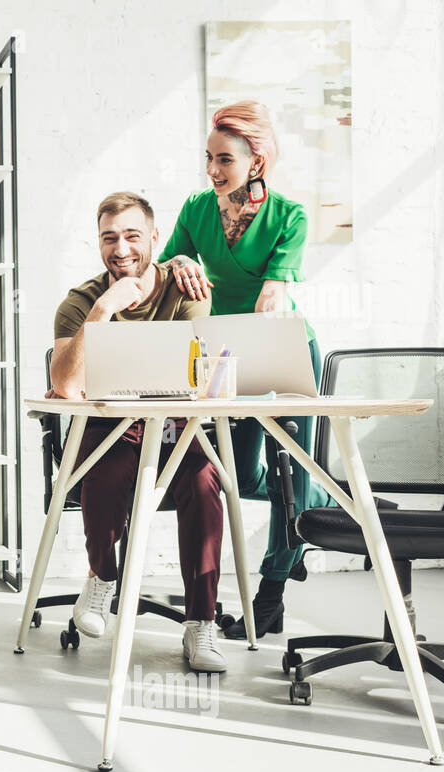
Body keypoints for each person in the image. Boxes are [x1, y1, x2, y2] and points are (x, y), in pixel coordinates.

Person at [160, 100, 331, 639]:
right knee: (245, 473)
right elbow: (165, 272)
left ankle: (272, 590)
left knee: (289, 474)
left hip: (281, 349)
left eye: (224, 160)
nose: (213, 170)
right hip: (224, 352)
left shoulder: (290, 217)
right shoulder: (196, 208)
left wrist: (242, 349)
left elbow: (271, 300)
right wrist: (179, 264)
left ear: (256, 161)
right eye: (208, 158)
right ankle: (323, 501)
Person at [49, 191, 227, 673]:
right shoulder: (82, 301)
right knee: (105, 472)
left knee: (206, 483)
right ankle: (102, 576)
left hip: (177, 428)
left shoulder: (185, 286)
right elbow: (65, 384)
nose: (121, 248)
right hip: (112, 429)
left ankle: (201, 622)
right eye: (109, 238)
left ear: (154, 237)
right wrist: (103, 312)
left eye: (132, 236)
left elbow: (199, 377)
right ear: (98, 244)